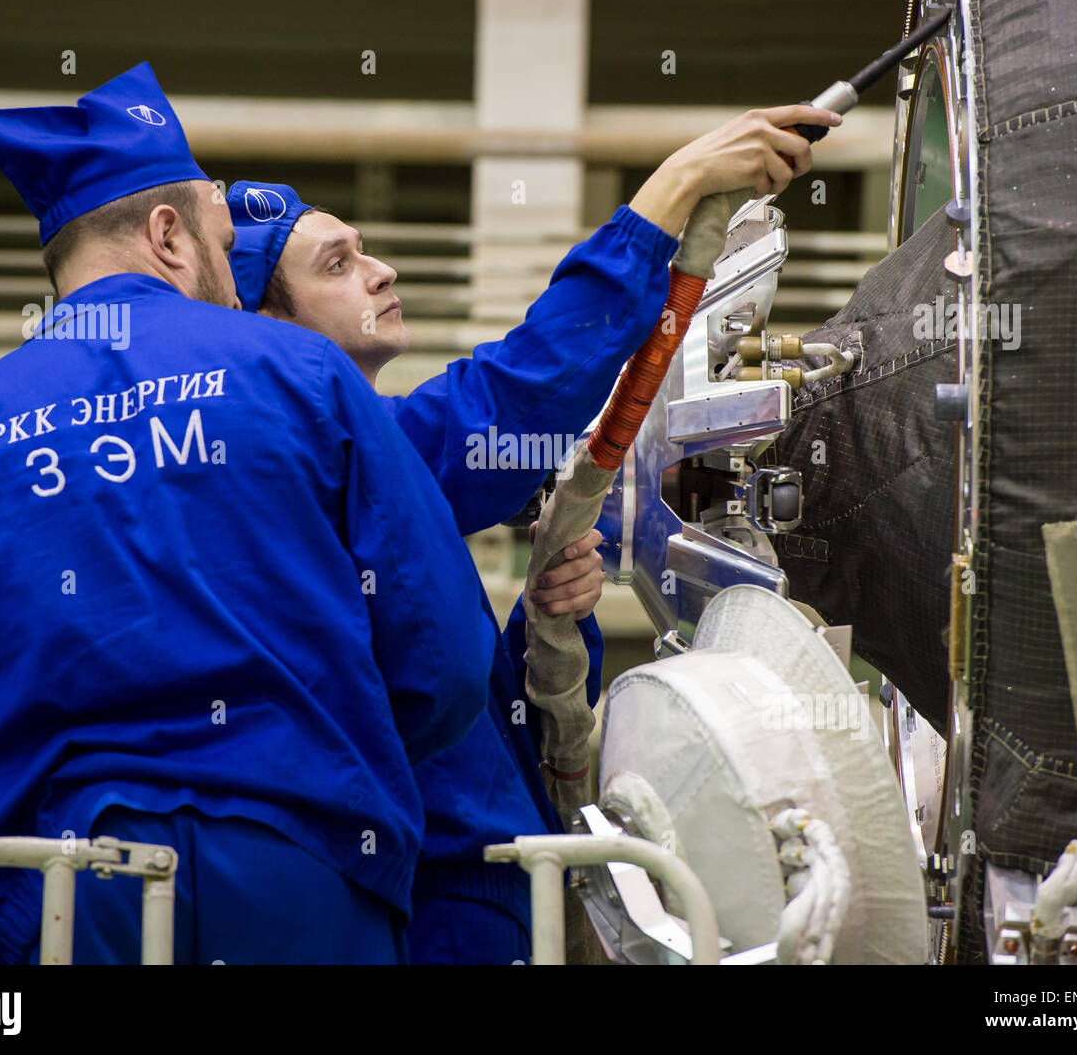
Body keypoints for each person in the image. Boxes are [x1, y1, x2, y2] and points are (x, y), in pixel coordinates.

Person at [0, 63, 495, 965]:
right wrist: (334, 756)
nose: (236, 279)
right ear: (167, 234)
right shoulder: (303, 372)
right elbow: (442, 656)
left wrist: (2, 864)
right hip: (303, 874)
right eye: (216, 222)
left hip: (56, 891)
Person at [224, 103, 836, 962]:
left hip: (488, 889)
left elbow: (466, 713)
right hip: (434, 904)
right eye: (340, 263)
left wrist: (548, 618)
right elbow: (516, 396)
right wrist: (676, 187)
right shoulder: (325, 464)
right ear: (270, 330)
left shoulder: (361, 470)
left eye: (363, 248)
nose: (382, 270)